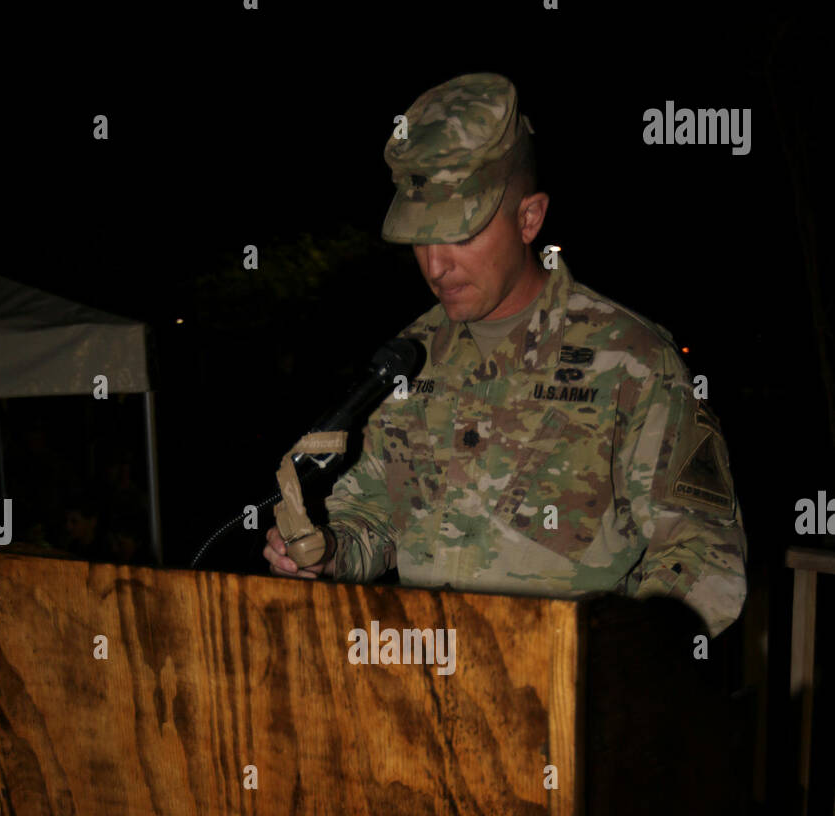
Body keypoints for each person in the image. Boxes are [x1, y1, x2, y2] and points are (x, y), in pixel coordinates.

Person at [264, 72, 747, 639]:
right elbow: (375, 517)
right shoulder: (409, 359)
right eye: (422, 239)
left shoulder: (632, 362)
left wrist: (600, 660)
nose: (435, 266)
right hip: (424, 685)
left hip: (568, 699)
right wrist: (328, 551)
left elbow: (704, 557)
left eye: (460, 236)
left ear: (529, 218)